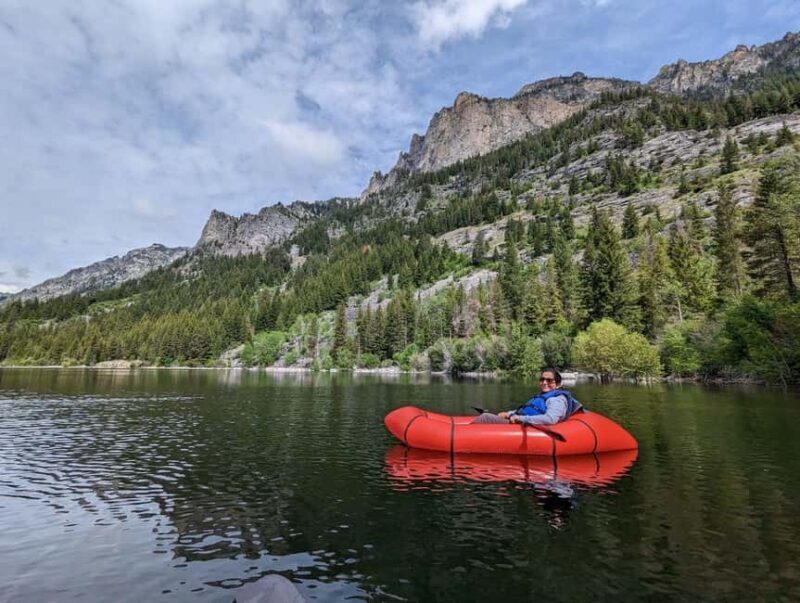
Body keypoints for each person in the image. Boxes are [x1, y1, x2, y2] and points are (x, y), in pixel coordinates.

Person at [473, 368, 583, 425]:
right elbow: (527, 410)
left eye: (549, 380)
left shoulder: (556, 400)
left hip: (523, 425)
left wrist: (521, 419)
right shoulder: (543, 396)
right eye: (542, 379)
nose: (544, 383)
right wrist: (509, 413)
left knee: (485, 417)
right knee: (486, 415)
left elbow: (551, 419)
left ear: (558, 384)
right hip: (518, 421)